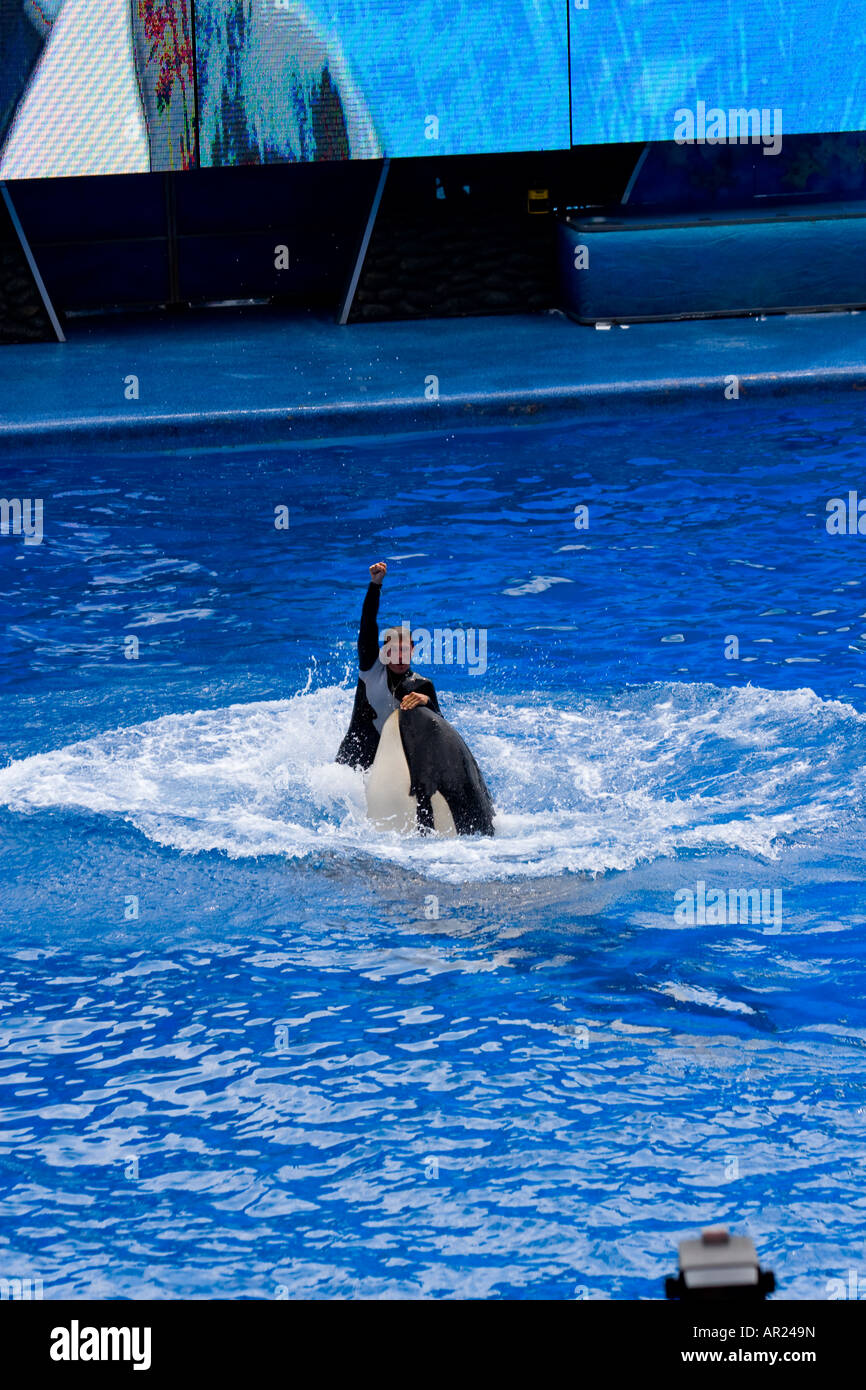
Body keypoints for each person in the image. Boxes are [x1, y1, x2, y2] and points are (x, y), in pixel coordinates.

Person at [336, 562, 440, 771]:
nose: (400, 658)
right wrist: (375, 585)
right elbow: (367, 624)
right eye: (394, 651)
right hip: (350, 764)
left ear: (413, 650)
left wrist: (426, 700)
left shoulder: (421, 686)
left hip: (390, 770)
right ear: (384, 651)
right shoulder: (371, 668)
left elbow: (440, 728)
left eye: (404, 651)